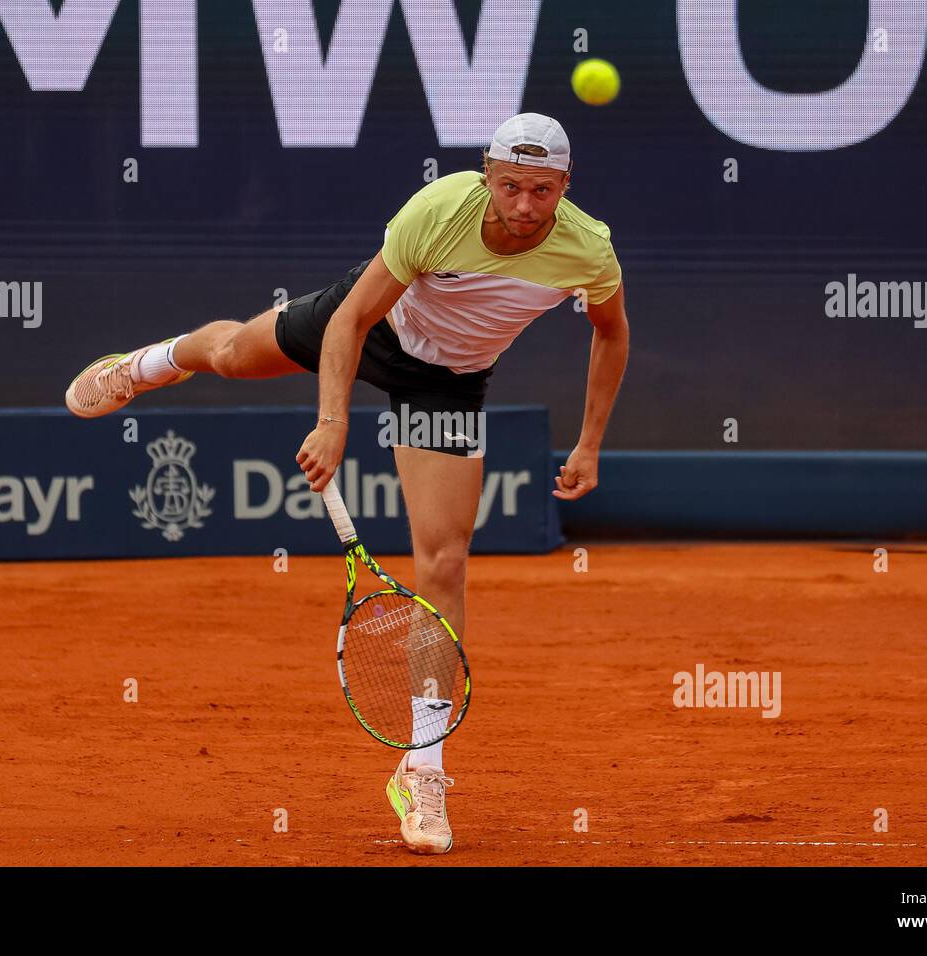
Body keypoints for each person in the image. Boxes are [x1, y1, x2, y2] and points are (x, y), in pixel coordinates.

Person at [64, 112, 629, 855]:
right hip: (372, 329)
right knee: (233, 354)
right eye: (512, 186)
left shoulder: (586, 248)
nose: (526, 206)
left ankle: (422, 767)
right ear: (487, 176)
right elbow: (352, 319)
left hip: (447, 387)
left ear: (565, 186)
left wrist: (589, 445)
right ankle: (150, 363)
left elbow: (611, 332)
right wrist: (333, 422)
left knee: (445, 565)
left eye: (543, 190)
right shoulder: (437, 210)